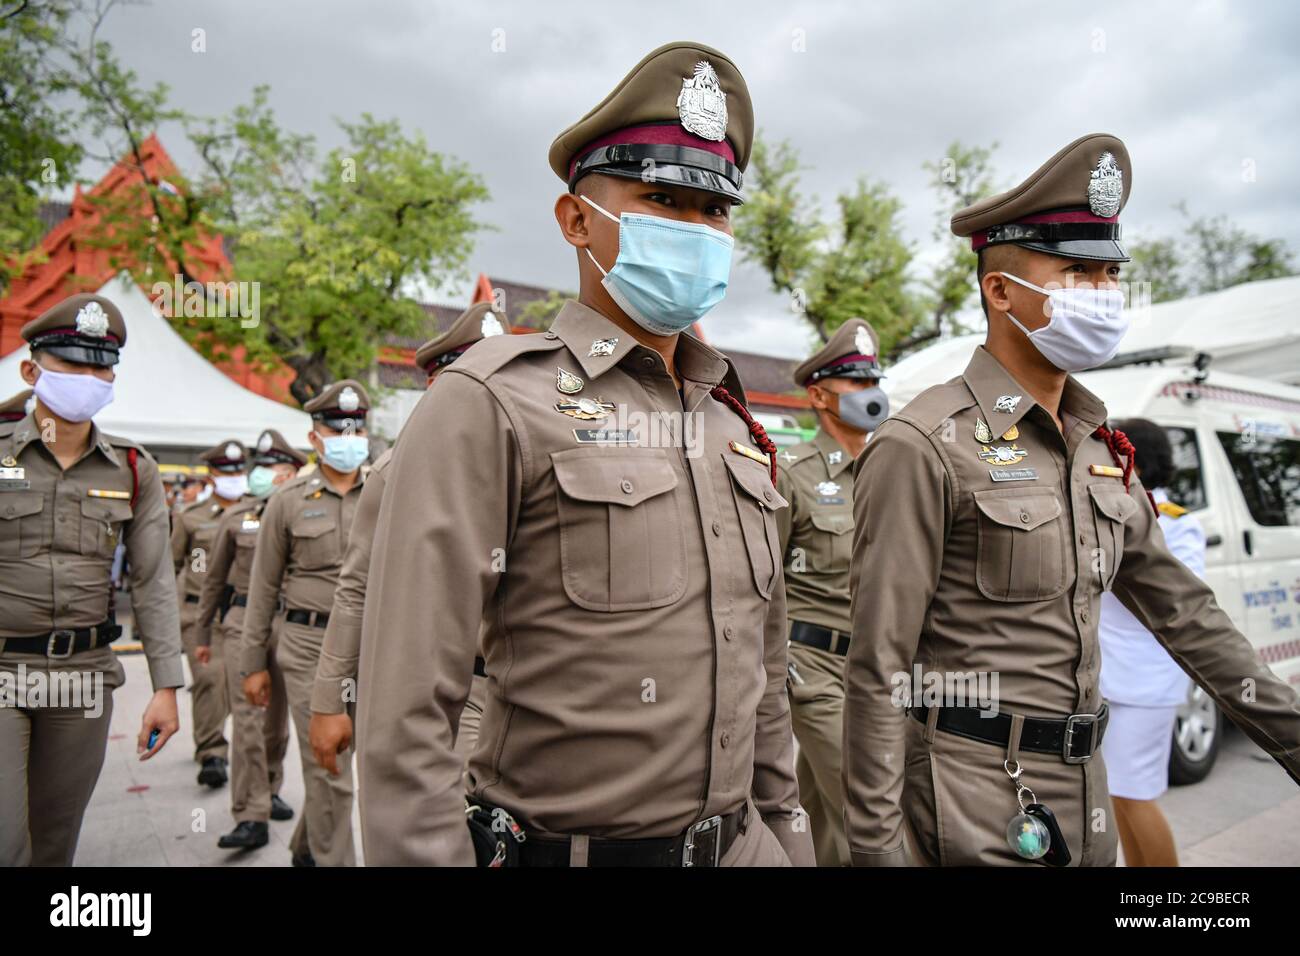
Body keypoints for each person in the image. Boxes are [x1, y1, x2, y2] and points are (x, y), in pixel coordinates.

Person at [356, 41, 812, 868]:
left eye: (715, 212)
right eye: (663, 200)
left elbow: (766, 675)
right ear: (576, 220)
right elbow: (407, 710)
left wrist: (787, 836)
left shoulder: (733, 428)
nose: (699, 231)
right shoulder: (493, 402)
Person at [844, 133, 1300, 867]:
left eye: (1108, 274)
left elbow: (1187, 615)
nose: (1103, 294)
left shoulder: (1097, 447)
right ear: (1000, 290)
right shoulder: (923, 442)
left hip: (1088, 793)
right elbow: (877, 668)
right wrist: (874, 851)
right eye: (1076, 272)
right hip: (972, 801)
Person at [0, 293, 182, 866]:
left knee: (55, 842)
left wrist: (166, 686)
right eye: (72, 364)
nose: (89, 377)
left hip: (83, 677)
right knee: (7, 840)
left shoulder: (132, 468)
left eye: (100, 367)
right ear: (32, 371)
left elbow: (153, 581)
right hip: (2, 668)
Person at [309, 302, 505, 777]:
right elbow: (356, 589)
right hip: (453, 694)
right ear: (439, 390)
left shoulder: (540, 466)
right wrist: (331, 699)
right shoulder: (395, 475)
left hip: (535, 696)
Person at [241, 381, 370, 867]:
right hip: (306, 646)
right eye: (336, 429)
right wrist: (253, 663)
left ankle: (305, 847)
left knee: (348, 760)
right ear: (315, 437)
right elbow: (263, 589)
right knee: (331, 769)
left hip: (368, 645)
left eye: (355, 429)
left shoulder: (385, 490)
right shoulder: (287, 501)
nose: (347, 438)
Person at [774, 318, 886, 867]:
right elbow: (760, 579)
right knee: (871, 812)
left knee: (822, 815)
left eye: (874, 382)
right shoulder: (791, 474)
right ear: (818, 395)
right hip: (815, 670)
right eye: (856, 384)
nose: (872, 395)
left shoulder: (891, 469)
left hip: (878, 669)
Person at [1098, 417, 1202, 866]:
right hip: (1107, 677)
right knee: (1118, 797)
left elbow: (1180, 601)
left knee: (1134, 796)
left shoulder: (1175, 523)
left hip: (1144, 682)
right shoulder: (1112, 508)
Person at [195, 429, 305, 851]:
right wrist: (202, 631)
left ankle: (270, 786)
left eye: (277, 468)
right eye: (262, 468)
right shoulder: (238, 517)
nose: (267, 476)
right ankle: (250, 813)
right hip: (242, 622)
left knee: (275, 720)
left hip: (291, 622)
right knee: (248, 718)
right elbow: (213, 580)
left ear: (294, 471)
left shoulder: (304, 511)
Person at [170, 441, 248, 788]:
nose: (234, 477)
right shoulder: (189, 518)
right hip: (198, 612)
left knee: (234, 684)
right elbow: (169, 567)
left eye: (238, 471)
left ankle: (223, 741)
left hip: (239, 611)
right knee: (209, 679)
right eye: (226, 471)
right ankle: (212, 752)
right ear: (212, 476)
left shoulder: (257, 514)